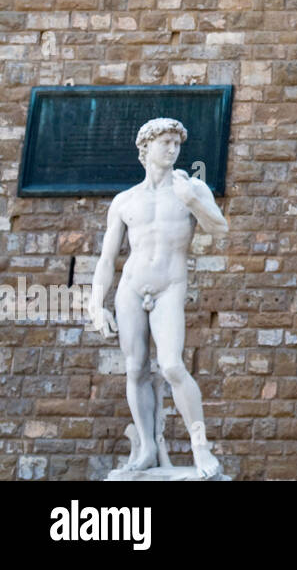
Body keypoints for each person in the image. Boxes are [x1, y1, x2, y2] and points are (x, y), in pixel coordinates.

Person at [88, 118, 228, 478]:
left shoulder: (191, 187)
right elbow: (108, 258)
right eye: (164, 142)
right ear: (146, 148)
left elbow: (219, 227)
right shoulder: (125, 200)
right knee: (135, 369)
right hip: (131, 288)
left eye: (176, 143)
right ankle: (148, 448)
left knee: (171, 366)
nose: (172, 149)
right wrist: (95, 303)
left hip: (169, 286)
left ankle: (200, 447)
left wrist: (193, 201)